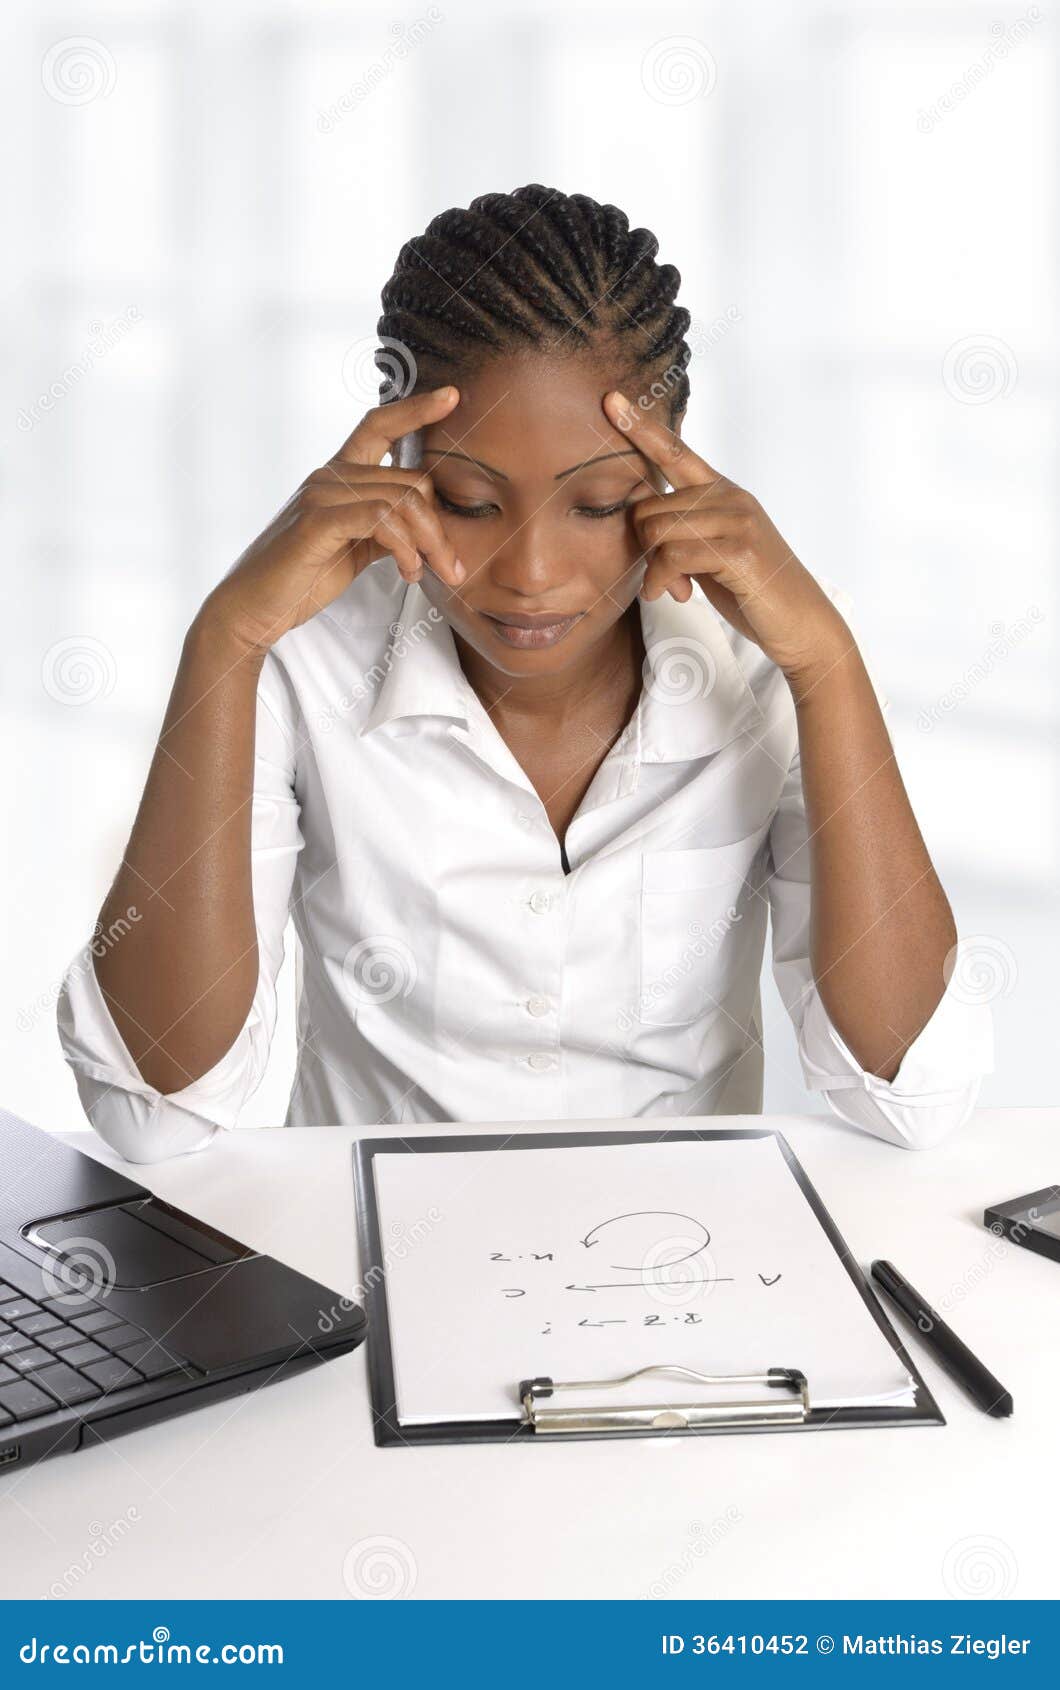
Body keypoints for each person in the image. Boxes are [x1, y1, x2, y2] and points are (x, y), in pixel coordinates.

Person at [57, 185, 992, 1164]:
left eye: (596, 504)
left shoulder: (763, 667)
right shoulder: (300, 658)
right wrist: (223, 641)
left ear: (671, 475)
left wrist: (829, 666)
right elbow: (152, 1109)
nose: (532, 575)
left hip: (682, 1260)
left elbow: (910, 1096)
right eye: (467, 499)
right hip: (360, 1267)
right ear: (397, 454)